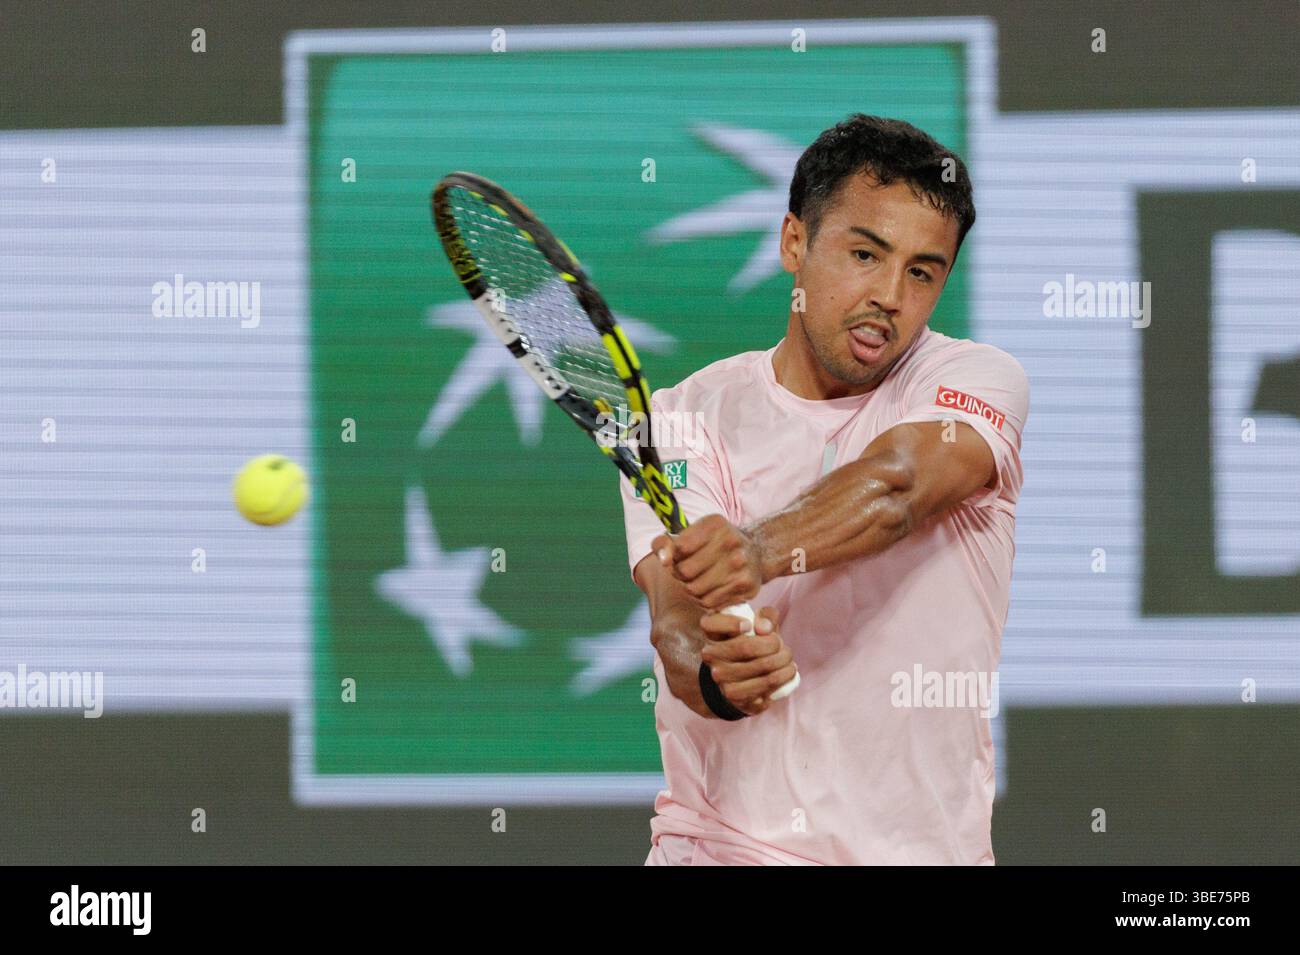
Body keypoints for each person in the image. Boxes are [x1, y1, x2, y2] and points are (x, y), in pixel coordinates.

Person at [620, 114, 1029, 865]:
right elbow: (675, 618)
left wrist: (757, 548)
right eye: (864, 254)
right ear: (793, 244)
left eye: (922, 271)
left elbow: (899, 484)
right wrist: (715, 675)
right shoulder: (678, 422)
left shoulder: (976, 381)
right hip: (721, 849)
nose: (889, 296)